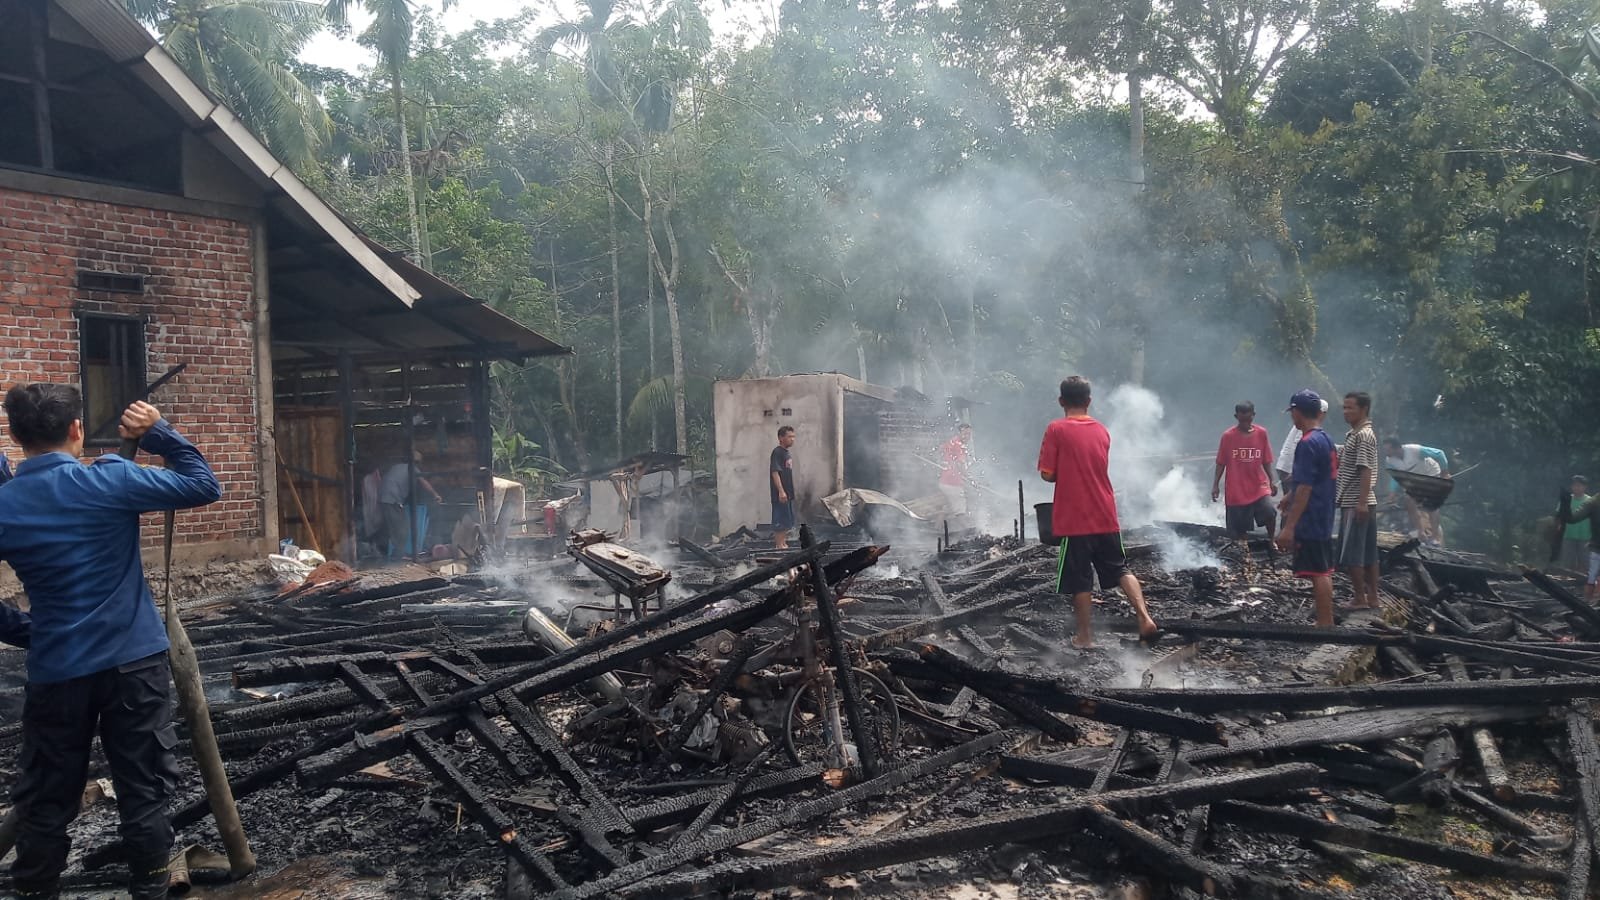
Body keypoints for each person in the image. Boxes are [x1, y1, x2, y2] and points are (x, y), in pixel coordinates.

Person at [0, 384, 221, 899]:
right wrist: (157, 433)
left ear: (15, 436)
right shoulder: (110, 478)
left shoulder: (5, 505)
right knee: (143, 792)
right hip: (133, 665)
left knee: (46, 800)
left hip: (57, 671)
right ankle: (150, 888)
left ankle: (34, 891)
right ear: (76, 429)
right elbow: (203, 484)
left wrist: (30, 632)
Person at [1038, 376, 1158, 648]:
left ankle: (1084, 637)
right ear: (1089, 401)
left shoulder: (1056, 429)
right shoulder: (1102, 431)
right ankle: (1145, 618)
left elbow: (1047, 474)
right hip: (1105, 512)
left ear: (1061, 401)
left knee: (1080, 579)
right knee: (1120, 568)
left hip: (1075, 519)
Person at [1275, 389, 1338, 627]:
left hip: (1312, 516)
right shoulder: (1325, 439)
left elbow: (1305, 488)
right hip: (1324, 513)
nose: (1292, 417)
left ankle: (1325, 625)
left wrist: (1289, 528)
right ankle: (1325, 621)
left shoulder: (1307, 443)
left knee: (1319, 572)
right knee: (1322, 569)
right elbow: (1312, 478)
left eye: (1292, 412)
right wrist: (1289, 496)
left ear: (1297, 412)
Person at [1336, 392, 1380, 611]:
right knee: (1370, 553)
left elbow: (1365, 469)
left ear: (1363, 409)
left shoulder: (1363, 435)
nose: (1345, 412)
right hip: (1363, 501)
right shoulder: (1356, 434)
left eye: (1350, 408)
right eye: (1344, 408)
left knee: (1353, 553)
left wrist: (1361, 503)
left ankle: (1360, 598)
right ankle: (1373, 598)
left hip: (1356, 501)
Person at [1212, 401, 1278, 540]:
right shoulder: (1228, 436)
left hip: (1258, 486)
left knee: (1269, 512)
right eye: (1242, 420)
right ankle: (1244, 548)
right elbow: (1220, 463)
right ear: (1236, 417)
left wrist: (1271, 480)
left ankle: (1272, 541)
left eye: (1248, 419)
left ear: (1253, 415)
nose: (1245, 423)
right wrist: (1215, 485)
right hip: (1236, 489)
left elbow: (1266, 460)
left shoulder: (1261, 433)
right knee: (1239, 529)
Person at [1382, 437, 1449, 546]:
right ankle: (1421, 533)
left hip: (1430, 474)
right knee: (1409, 502)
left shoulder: (1415, 450)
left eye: (1388, 449)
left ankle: (1435, 537)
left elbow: (1439, 454)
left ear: (1397, 448)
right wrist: (1392, 493)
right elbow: (1395, 477)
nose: (1386, 452)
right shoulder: (1390, 461)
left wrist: (1445, 473)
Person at [380, 450, 443, 559]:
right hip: (392, 499)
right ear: (416, 462)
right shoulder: (412, 468)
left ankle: (394, 553)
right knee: (402, 528)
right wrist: (435, 494)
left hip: (384, 497)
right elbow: (423, 482)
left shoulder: (397, 467)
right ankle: (398, 555)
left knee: (393, 527)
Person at [1275, 397, 1329, 499]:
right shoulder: (1306, 426)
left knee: (1291, 499)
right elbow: (1298, 444)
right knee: (1295, 499)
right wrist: (1295, 471)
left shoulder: (1304, 423)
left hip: (1285, 464)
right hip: (1290, 467)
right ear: (1321, 413)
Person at [1557, 484, 1600, 602]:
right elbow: (1572, 519)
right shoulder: (1593, 502)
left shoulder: (1592, 501)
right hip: (1597, 548)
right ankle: (1589, 604)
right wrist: (1566, 504)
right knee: (1592, 577)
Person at [770, 425, 797, 550]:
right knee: (780, 520)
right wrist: (781, 491)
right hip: (780, 494)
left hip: (788, 493)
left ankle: (783, 543)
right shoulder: (777, 452)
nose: (792, 439)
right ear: (781, 438)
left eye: (793, 436)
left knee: (787, 519)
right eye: (789, 436)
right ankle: (779, 545)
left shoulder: (787, 453)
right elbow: (775, 472)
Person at [939, 423, 974, 517]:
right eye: (965, 434)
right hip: (953, 484)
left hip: (944, 481)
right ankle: (964, 527)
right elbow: (960, 464)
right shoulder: (959, 446)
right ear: (959, 433)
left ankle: (939, 525)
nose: (967, 437)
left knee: (946, 509)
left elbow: (941, 449)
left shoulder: (952, 441)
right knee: (960, 511)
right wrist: (970, 478)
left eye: (969, 434)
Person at [1562, 477, 1594, 573]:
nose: (1577, 487)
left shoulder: (1590, 501)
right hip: (1568, 535)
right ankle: (1568, 581)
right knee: (1567, 564)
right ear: (1571, 487)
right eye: (1575, 485)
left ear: (1585, 487)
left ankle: (1587, 581)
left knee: (1586, 563)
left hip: (1585, 537)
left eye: (1579, 485)